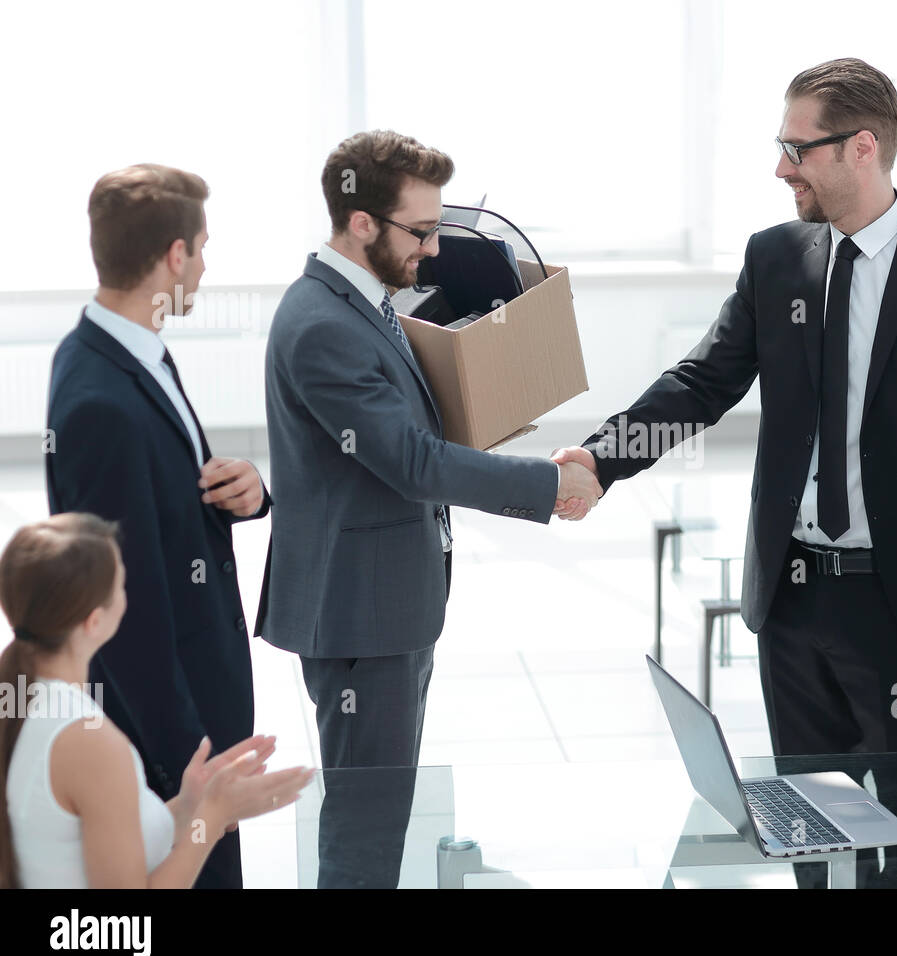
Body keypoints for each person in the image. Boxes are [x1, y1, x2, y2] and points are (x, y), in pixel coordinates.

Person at [552, 58, 897, 885]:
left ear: (862, 148)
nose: (781, 168)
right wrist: (603, 460)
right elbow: (702, 381)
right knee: (811, 824)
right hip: (794, 596)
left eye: (796, 148)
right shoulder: (776, 259)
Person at [255, 130, 600, 887]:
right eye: (422, 230)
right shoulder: (322, 326)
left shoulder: (361, 305)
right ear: (361, 224)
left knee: (377, 813)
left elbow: (410, 429)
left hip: (385, 605)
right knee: (365, 826)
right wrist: (548, 487)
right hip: (361, 615)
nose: (436, 249)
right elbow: (410, 462)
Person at [45, 164, 272, 888]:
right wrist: (192, 766)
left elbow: (162, 504)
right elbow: (127, 610)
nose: (205, 267)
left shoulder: (124, 350)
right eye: (201, 248)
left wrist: (248, 494)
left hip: (194, 719)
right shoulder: (99, 403)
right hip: (172, 748)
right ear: (174, 255)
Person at [0, 513, 312, 888]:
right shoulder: (91, 744)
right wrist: (211, 819)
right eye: (121, 585)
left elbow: (78, 841)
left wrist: (188, 805)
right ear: (93, 622)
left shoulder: (24, 703)